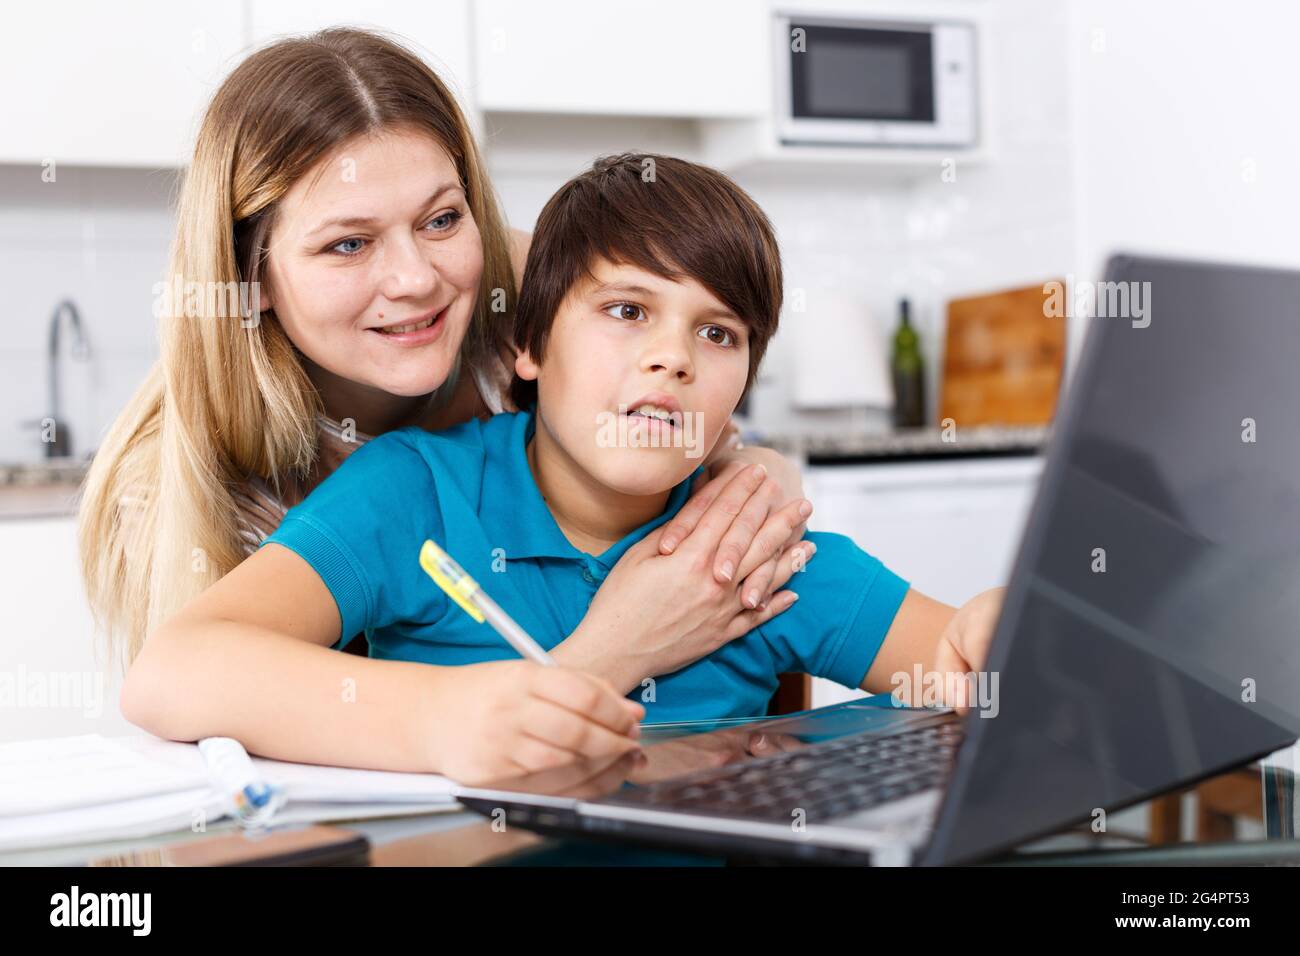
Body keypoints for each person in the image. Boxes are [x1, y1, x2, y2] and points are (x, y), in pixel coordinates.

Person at [120, 154, 1004, 786]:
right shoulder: (413, 491)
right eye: (627, 310)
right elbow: (174, 671)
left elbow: (961, 667)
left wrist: (997, 631)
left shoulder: (752, 548)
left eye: (718, 333)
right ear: (528, 346)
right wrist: (444, 715)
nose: (672, 358)